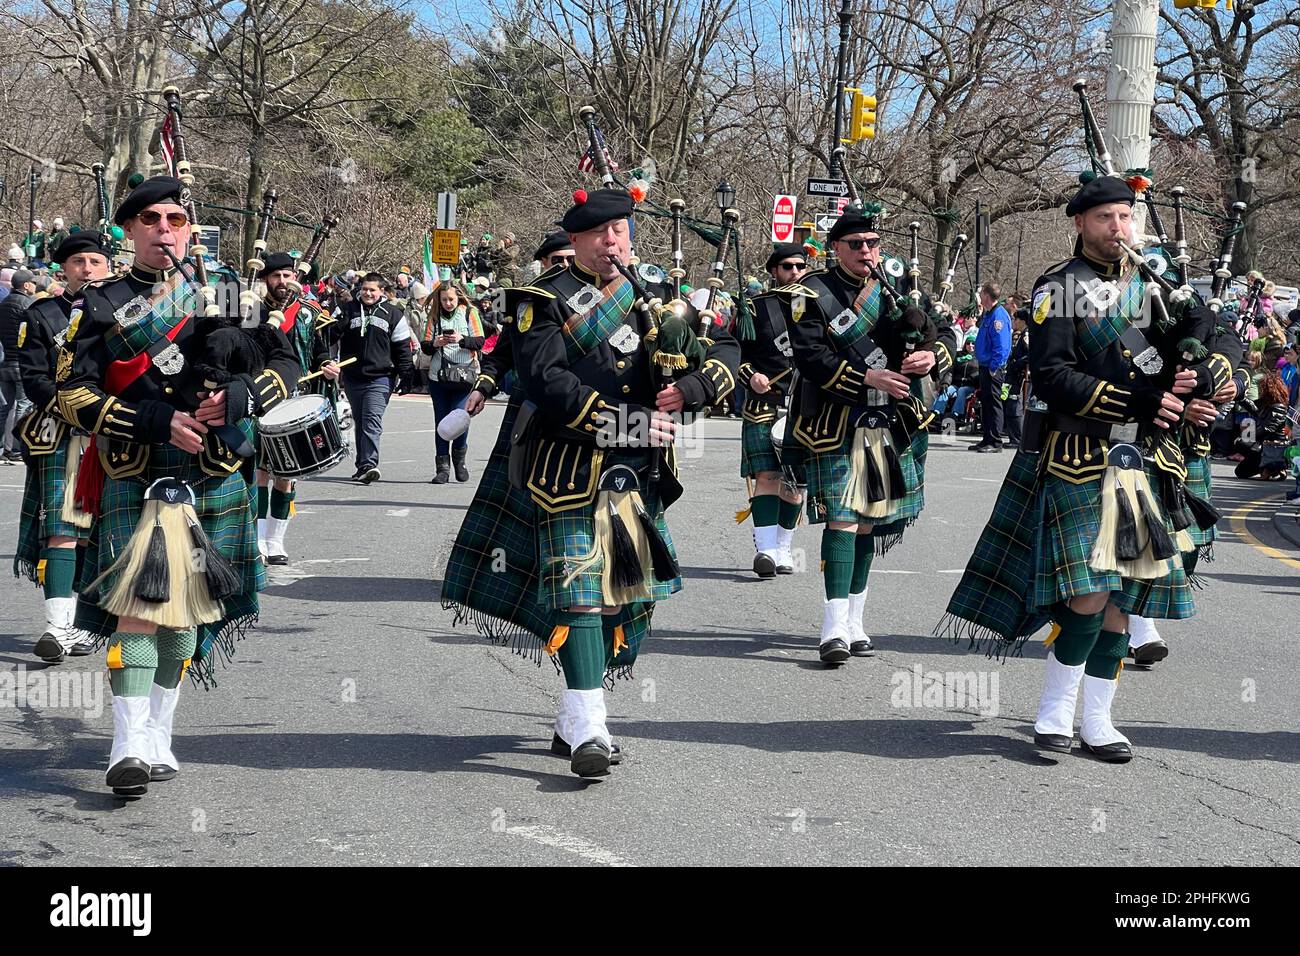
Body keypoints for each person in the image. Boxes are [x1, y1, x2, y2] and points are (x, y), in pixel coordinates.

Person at [441, 186, 740, 777]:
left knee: (619, 599)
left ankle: (575, 715)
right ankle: (592, 730)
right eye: (601, 234)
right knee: (582, 591)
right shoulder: (539, 300)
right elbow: (547, 380)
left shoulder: (658, 296)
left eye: (621, 232)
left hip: (638, 473)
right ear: (575, 240)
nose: (612, 243)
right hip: (568, 469)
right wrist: (627, 422)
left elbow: (727, 347)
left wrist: (695, 389)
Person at [938, 175, 1225, 763]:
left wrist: (1205, 361)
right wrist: (1139, 401)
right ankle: (1053, 710)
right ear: (1080, 224)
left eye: (1125, 217)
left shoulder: (1155, 284)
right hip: (1080, 458)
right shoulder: (1058, 289)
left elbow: (1202, 332)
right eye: (1105, 219)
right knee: (1089, 594)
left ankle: (1098, 718)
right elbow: (1052, 376)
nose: (1118, 229)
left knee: (1124, 598)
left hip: (1145, 459)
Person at [58, 175, 299, 795]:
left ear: (189, 229)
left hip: (213, 469)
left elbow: (285, 361)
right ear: (129, 231)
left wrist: (244, 396)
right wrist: (157, 419)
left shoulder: (223, 294)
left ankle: (159, 731)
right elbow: (71, 395)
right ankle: (126, 743)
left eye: (176, 220)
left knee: (187, 614)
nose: (165, 231)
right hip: (135, 471)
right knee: (139, 610)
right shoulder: (101, 304)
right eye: (151, 221)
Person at [774, 206, 951, 664]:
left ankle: (855, 620)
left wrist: (931, 356)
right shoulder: (809, 293)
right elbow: (810, 357)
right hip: (836, 420)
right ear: (836, 248)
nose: (867, 252)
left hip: (892, 421)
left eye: (873, 243)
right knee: (843, 519)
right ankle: (832, 627)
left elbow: (945, 333)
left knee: (868, 522)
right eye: (856, 245)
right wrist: (867, 379)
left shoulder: (899, 288)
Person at [12, 231, 111, 661]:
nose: (86, 269)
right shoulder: (41, 314)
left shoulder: (129, 312)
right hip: (63, 431)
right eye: (77, 262)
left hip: (116, 433)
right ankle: (58, 628)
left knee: (104, 532)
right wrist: (70, 407)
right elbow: (32, 375)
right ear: (63, 268)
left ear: (107, 267)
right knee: (62, 530)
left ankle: (87, 624)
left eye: (94, 261)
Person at [254, 252, 341, 564]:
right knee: (260, 471)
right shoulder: (253, 311)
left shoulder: (307, 314)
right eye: (276, 277)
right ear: (266, 280)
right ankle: (259, 540)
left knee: (286, 474)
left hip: (294, 399)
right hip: (261, 398)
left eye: (287, 276)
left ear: (295, 280)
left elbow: (320, 352)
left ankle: (276, 541)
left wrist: (327, 364)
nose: (282, 282)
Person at [739, 242, 807, 577]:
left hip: (805, 406)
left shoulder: (817, 306)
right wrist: (752, 377)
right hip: (762, 403)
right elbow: (735, 353)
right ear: (773, 271)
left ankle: (783, 549)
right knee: (767, 476)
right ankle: (765, 551)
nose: (795, 272)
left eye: (799, 266)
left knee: (795, 484)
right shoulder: (754, 307)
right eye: (787, 267)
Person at [332, 272, 412, 484]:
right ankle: (362, 466)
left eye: (372, 290)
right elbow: (328, 335)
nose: (367, 293)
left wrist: (406, 375)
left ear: (382, 292)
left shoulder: (393, 314)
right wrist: (338, 325)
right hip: (352, 376)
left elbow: (403, 348)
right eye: (364, 289)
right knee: (360, 420)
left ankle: (369, 463)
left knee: (371, 420)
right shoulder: (346, 309)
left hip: (381, 377)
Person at [420, 282, 485, 483]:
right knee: (441, 422)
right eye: (444, 300)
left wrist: (462, 339)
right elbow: (425, 346)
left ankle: (460, 459)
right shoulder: (433, 316)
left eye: (451, 299)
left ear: (459, 298)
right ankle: (442, 468)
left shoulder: (469, 313)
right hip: (438, 377)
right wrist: (435, 343)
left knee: (458, 419)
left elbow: (480, 341)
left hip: (464, 376)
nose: (448, 303)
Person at [0, 269, 39, 460]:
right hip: (21, 362)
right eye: (33, 283)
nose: (35, 285)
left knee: (4, 407)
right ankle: (15, 448)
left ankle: (1, 448)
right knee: (23, 406)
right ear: (26, 285)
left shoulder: (4, 303)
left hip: (5, 361)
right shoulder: (27, 304)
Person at [970, 281, 1011, 452]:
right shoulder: (988, 314)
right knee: (986, 402)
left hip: (992, 367)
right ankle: (987, 438)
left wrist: (995, 366)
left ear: (986, 295)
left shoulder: (998, 316)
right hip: (985, 365)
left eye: (981, 294)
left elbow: (1001, 346)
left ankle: (995, 441)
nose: (979, 297)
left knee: (994, 404)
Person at [1003, 309, 1030, 446]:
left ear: (1022, 321)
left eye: (1016, 319)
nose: (1014, 322)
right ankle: (1013, 436)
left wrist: (1016, 364)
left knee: (1015, 406)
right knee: (1008, 403)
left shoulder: (1026, 335)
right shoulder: (1018, 335)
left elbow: (1029, 355)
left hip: (1018, 377)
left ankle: (1017, 438)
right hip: (1011, 375)